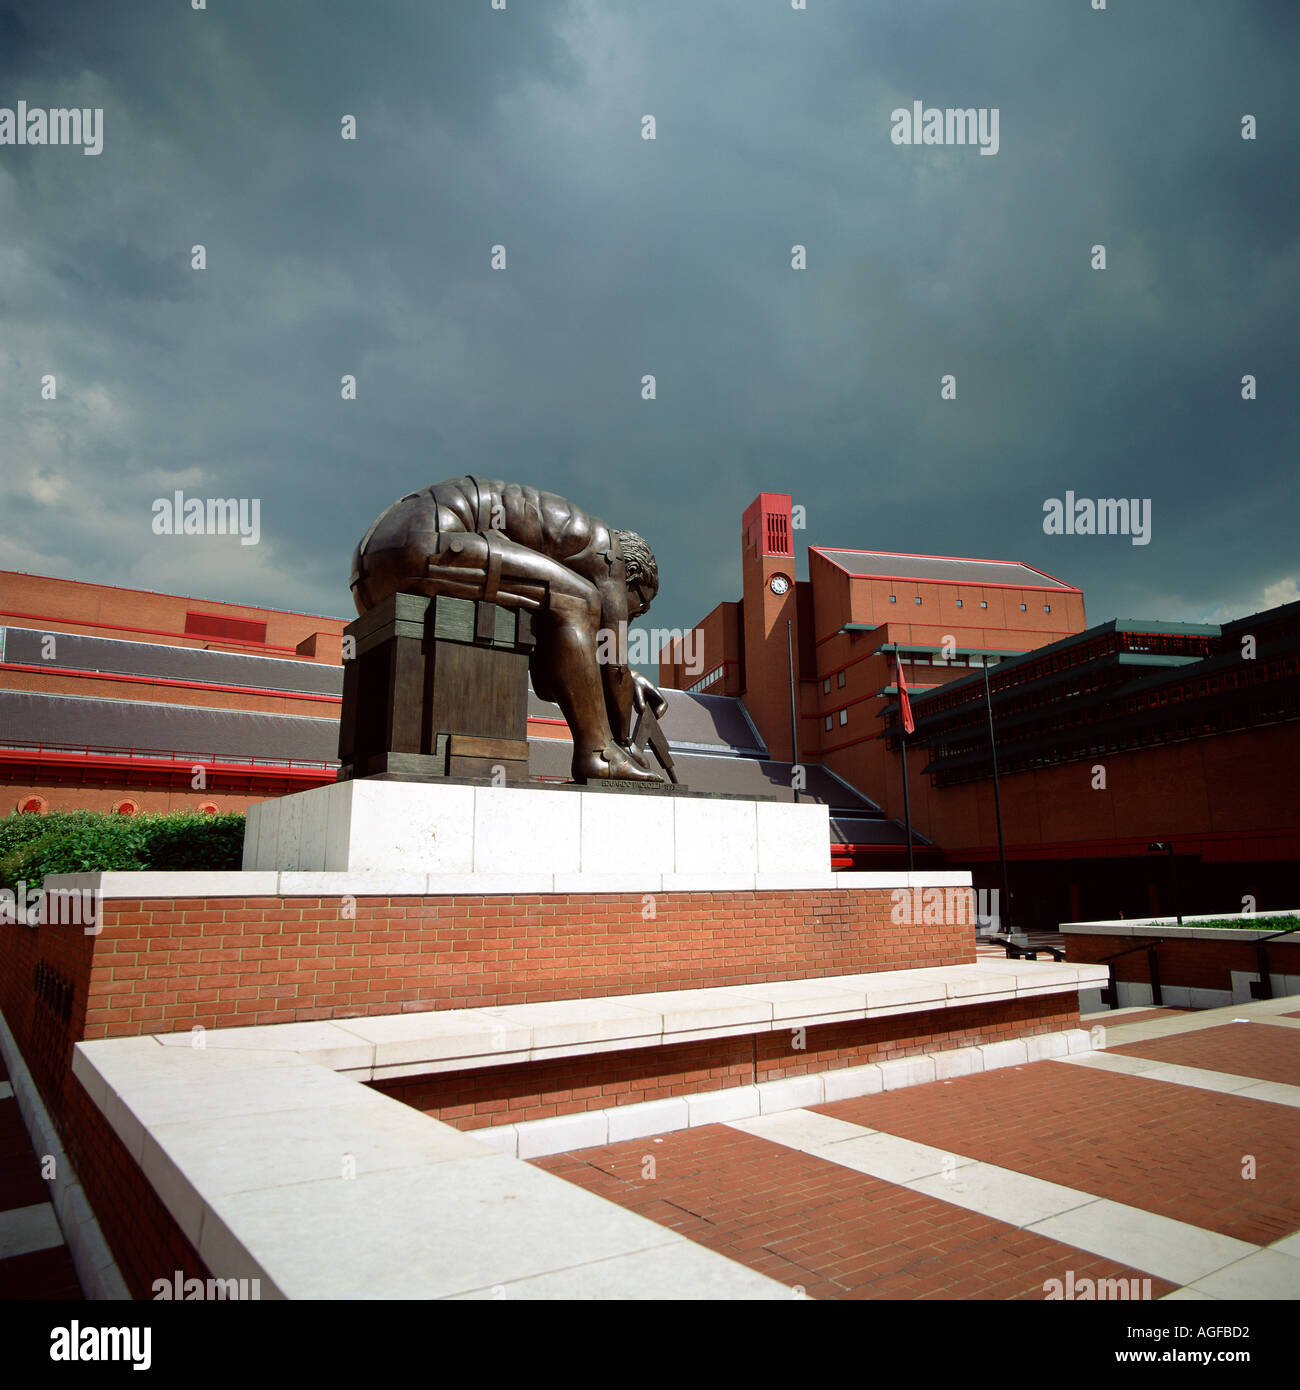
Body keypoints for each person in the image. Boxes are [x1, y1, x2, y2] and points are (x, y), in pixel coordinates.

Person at [350, 475, 668, 782]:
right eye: (640, 605)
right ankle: (599, 755)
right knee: (579, 599)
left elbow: (550, 682)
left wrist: (620, 681)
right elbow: (613, 658)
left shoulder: (564, 557)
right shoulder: (609, 551)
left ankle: (600, 752)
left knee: (571, 599)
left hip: (373, 566)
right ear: (633, 575)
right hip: (424, 540)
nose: (634, 614)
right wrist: (624, 739)